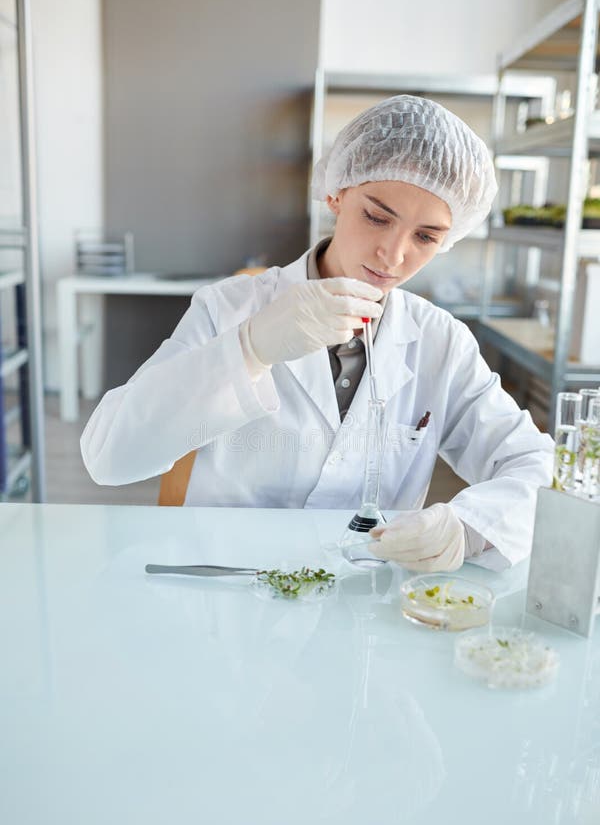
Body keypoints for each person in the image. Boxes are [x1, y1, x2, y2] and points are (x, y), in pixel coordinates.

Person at [81, 95, 553, 573]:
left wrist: (470, 525)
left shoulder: (440, 342)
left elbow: (534, 465)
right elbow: (111, 457)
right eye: (377, 216)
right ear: (337, 193)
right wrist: (248, 349)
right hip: (227, 600)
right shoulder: (230, 307)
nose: (393, 255)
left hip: (361, 605)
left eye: (426, 237)